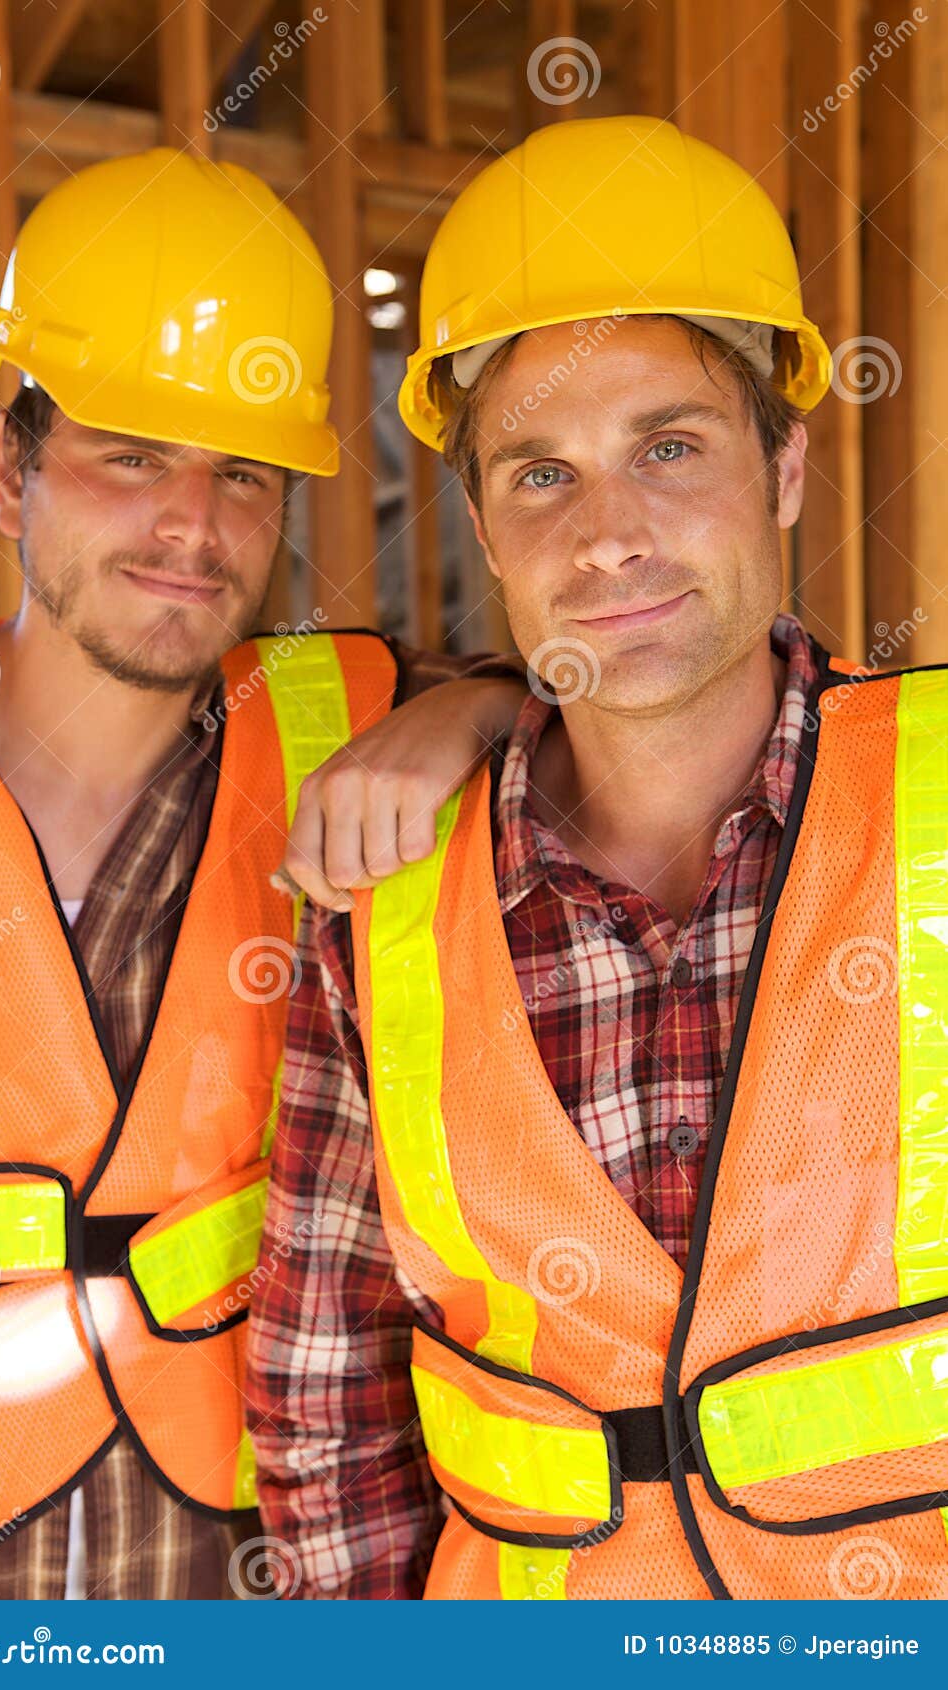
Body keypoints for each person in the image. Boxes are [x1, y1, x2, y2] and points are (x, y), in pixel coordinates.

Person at [248, 114, 948, 1602]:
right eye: (541, 476)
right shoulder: (386, 915)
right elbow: (328, 1417)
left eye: (670, 448)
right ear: (489, 534)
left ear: (786, 469)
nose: (609, 534)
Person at [0, 147, 524, 1601]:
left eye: (242, 473)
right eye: (129, 456)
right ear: (7, 467)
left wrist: (474, 710)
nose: (192, 524)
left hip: (242, 1575)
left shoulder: (346, 722)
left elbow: (588, 720)